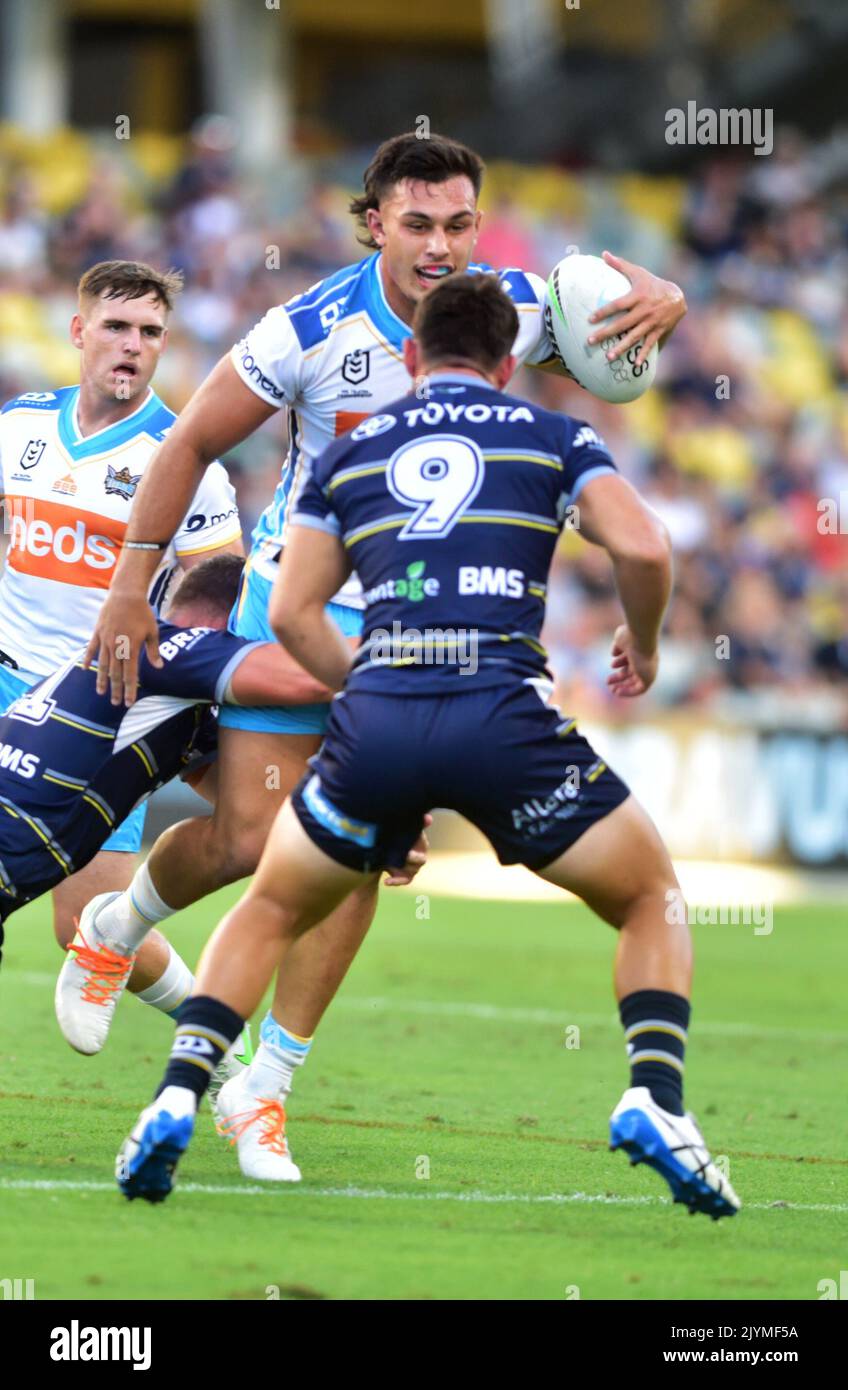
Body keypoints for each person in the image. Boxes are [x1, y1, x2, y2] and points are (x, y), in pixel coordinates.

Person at [116, 274, 739, 1220]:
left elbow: (288, 610)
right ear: (510, 363)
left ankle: (176, 1092)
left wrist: (362, 680)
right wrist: (643, 644)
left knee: (275, 902)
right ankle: (655, 1095)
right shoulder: (554, 434)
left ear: (409, 360)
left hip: (385, 713)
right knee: (651, 896)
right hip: (506, 722)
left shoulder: (358, 446)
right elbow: (647, 548)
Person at [83, 131, 688, 1094]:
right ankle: (121, 926)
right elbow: (191, 438)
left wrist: (668, 302)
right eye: (417, 224)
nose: (440, 247)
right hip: (296, 599)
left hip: (413, 622)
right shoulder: (304, 330)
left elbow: (616, 341)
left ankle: (269, 1083)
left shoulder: (514, 310)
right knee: (248, 838)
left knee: (358, 853)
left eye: (458, 223)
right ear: (375, 227)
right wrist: (128, 583)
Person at [0, 259, 243, 1025]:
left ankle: (217, 1046)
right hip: (9, 682)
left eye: (149, 332)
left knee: (85, 924)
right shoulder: (21, 425)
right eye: (115, 327)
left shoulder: (186, 459)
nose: (132, 345)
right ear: (79, 331)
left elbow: (216, 598)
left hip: (104, 708)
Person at [0, 554, 327, 1045]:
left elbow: (249, 819)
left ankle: (212, 1042)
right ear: (238, 618)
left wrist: (368, 813)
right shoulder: (167, 649)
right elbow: (313, 674)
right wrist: (448, 647)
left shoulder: (175, 703)